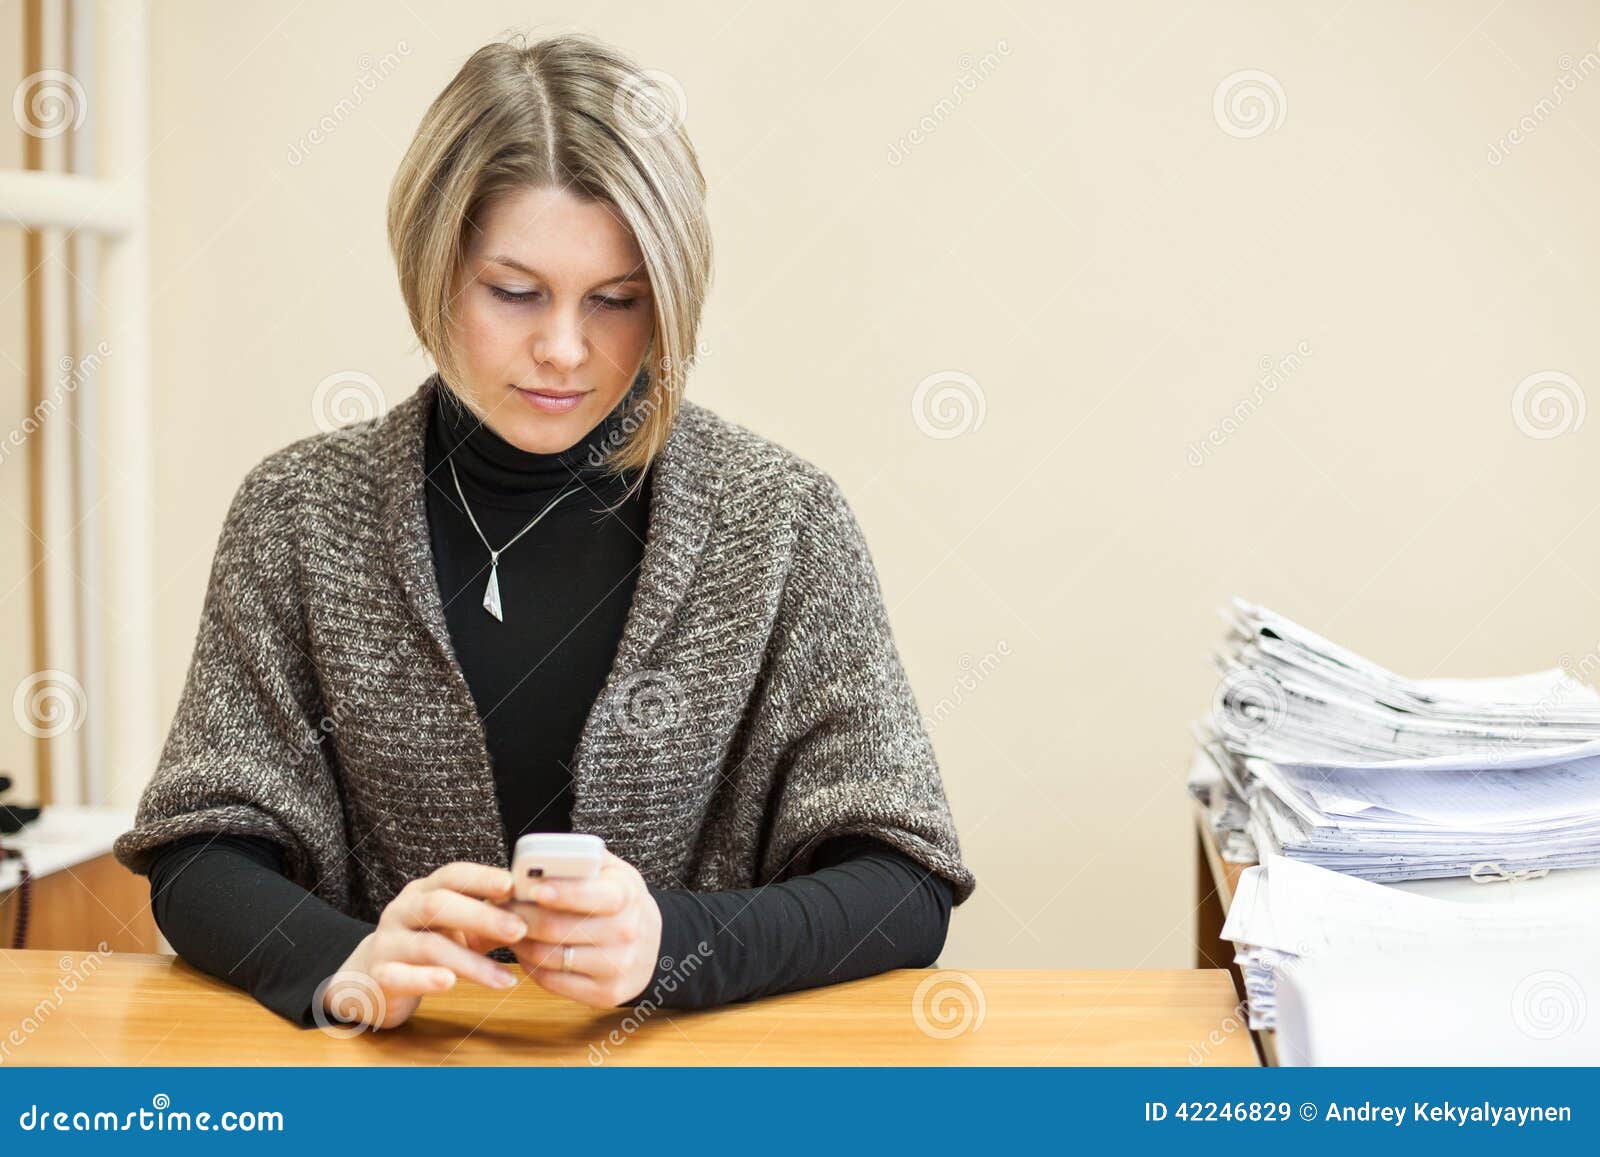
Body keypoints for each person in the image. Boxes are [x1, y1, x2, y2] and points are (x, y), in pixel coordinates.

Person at [113, 31, 975, 1032]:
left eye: (617, 301)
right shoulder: (298, 515)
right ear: (432, 266)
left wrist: (674, 941)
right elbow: (198, 853)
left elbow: (904, 883)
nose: (564, 349)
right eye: (514, 291)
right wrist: (341, 957)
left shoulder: (782, 522)